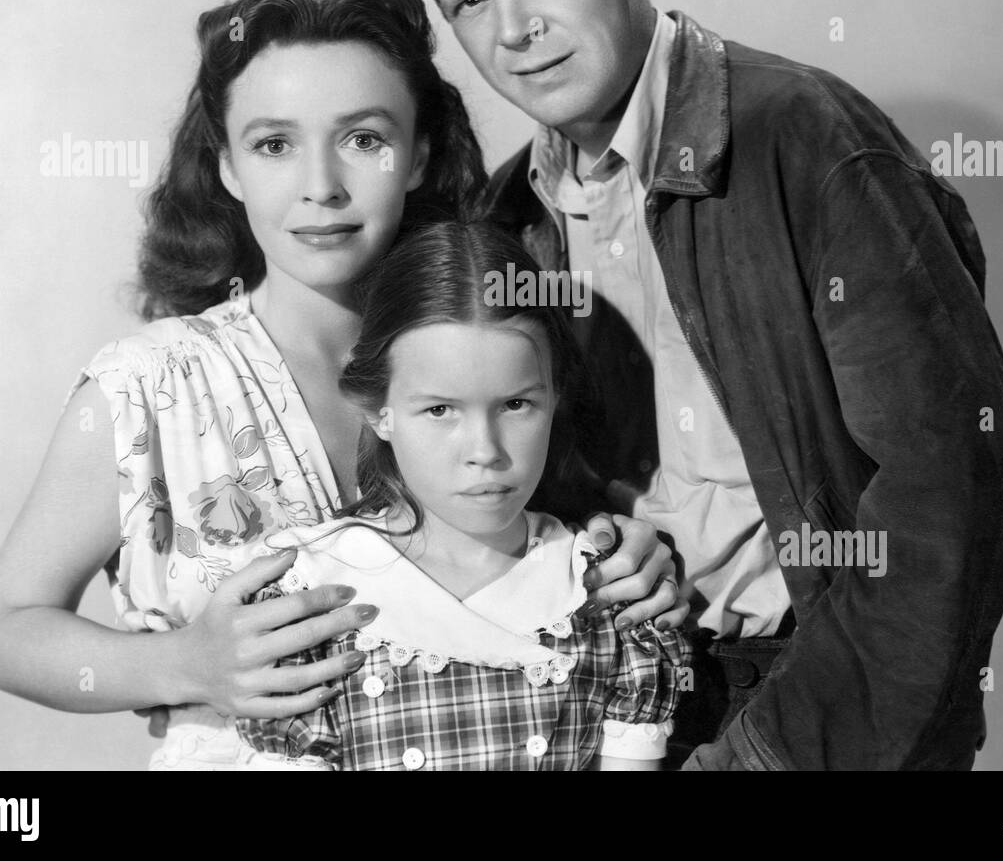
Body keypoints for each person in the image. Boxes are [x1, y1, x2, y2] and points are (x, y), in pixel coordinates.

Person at [379, 0, 1003, 770]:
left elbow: (950, 499)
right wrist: (601, 543)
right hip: (623, 691)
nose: (515, 29)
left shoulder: (805, 139)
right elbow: (529, 477)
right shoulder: (513, 212)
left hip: (822, 695)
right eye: (472, 1)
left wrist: (774, 751)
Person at [0, 0, 682, 770]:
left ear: (420, 155)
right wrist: (183, 663)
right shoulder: (152, 387)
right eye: (274, 144)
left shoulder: (501, 336)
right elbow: (4, 631)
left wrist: (622, 560)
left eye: (364, 138)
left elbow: (547, 558)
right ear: (228, 167)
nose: (321, 186)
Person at [232, 221, 691, 770]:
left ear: (555, 398)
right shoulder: (312, 596)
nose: (485, 450)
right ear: (379, 410)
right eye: (440, 410)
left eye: (516, 405)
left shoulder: (605, 591)